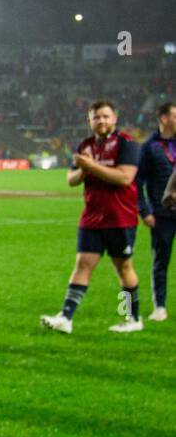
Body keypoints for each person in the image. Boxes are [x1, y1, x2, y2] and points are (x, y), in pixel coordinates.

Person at [41, 100, 143, 334]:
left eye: (106, 116)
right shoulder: (85, 145)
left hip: (120, 217)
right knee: (83, 265)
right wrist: (84, 168)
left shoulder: (127, 144)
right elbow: (71, 180)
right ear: (90, 121)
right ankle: (66, 317)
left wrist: (91, 166)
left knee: (124, 268)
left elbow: (124, 178)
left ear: (114, 119)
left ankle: (132, 318)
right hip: (92, 218)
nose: (101, 121)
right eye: (97, 117)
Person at [135, 102, 176, 321]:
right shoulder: (149, 147)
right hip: (162, 215)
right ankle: (159, 306)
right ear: (163, 118)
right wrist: (145, 211)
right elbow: (137, 181)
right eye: (175, 116)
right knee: (161, 261)